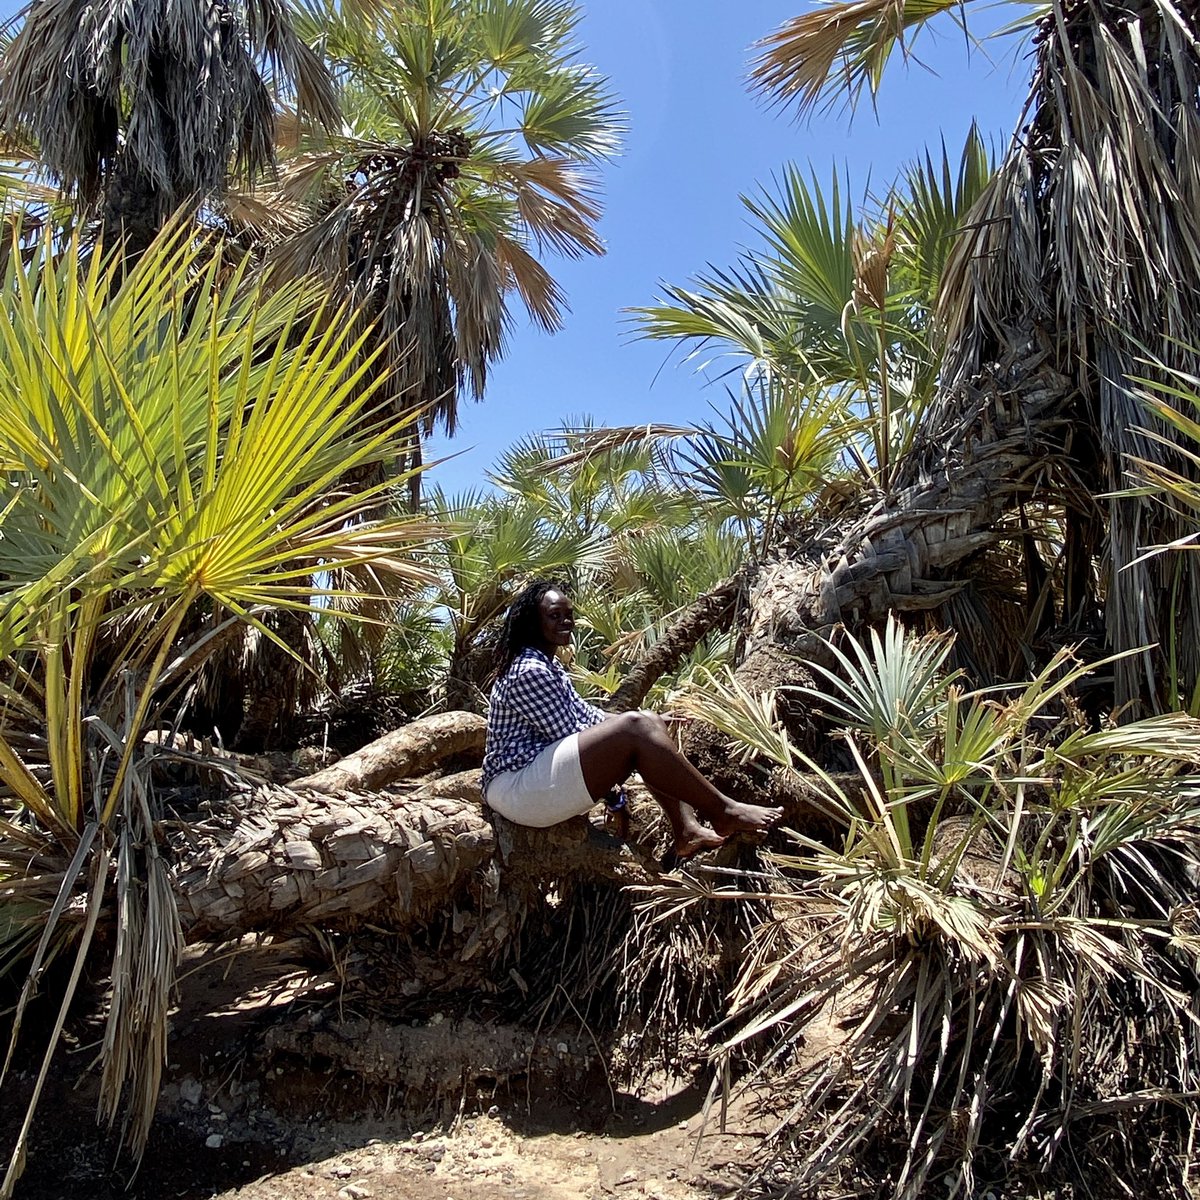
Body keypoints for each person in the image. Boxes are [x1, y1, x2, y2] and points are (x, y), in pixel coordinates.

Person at [481, 579, 783, 863]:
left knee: (646, 721)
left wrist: (652, 723)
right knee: (637, 728)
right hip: (516, 790)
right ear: (534, 622)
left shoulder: (548, 665)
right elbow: (568, 735)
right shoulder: (529, 671)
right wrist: (616, 795)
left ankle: (686, 829)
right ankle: (725, 811)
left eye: (569, 614)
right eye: (554, 615)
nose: (566, 621)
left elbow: (588, 716)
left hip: (535, 780)